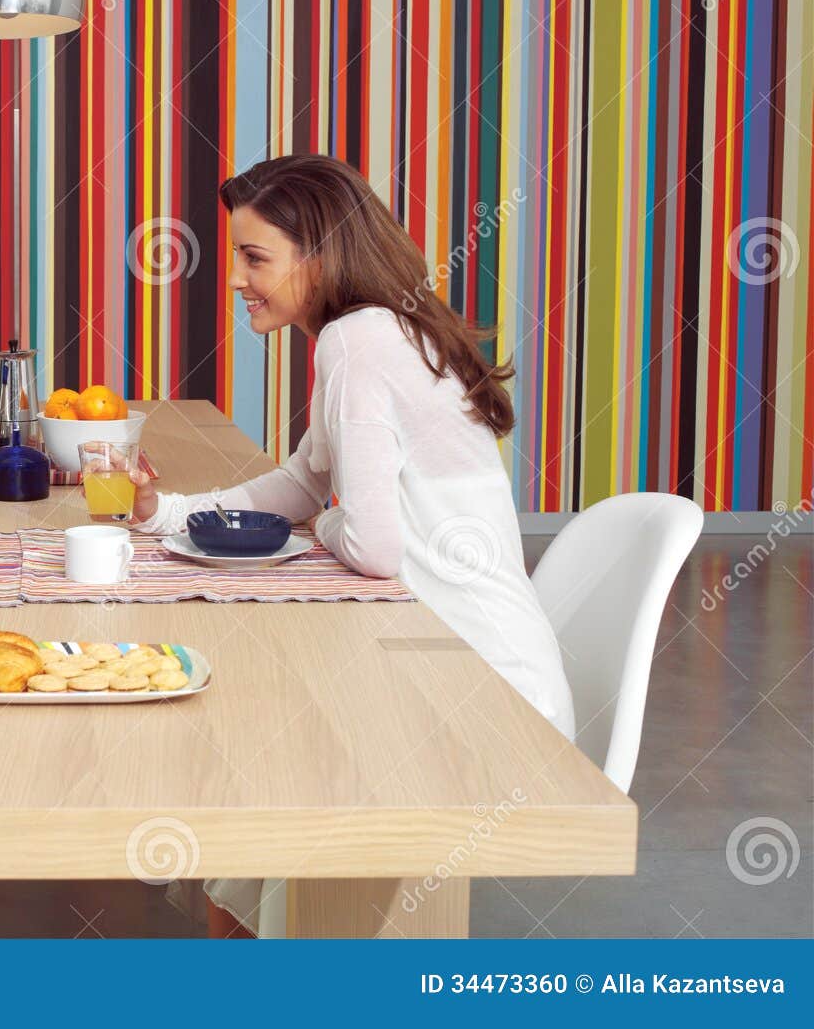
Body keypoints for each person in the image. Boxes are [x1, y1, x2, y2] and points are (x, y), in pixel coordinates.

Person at [126, 154, 575, 938]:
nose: (234, 277)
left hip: (483, 696)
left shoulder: (356, 343)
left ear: (321, 257)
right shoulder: (371, 332)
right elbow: (302, 485)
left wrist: (325, 524)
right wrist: (165, 511)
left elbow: (370, 545)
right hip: (452, 663)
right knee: (257, 829)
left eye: (254, 257)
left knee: (269, 792)